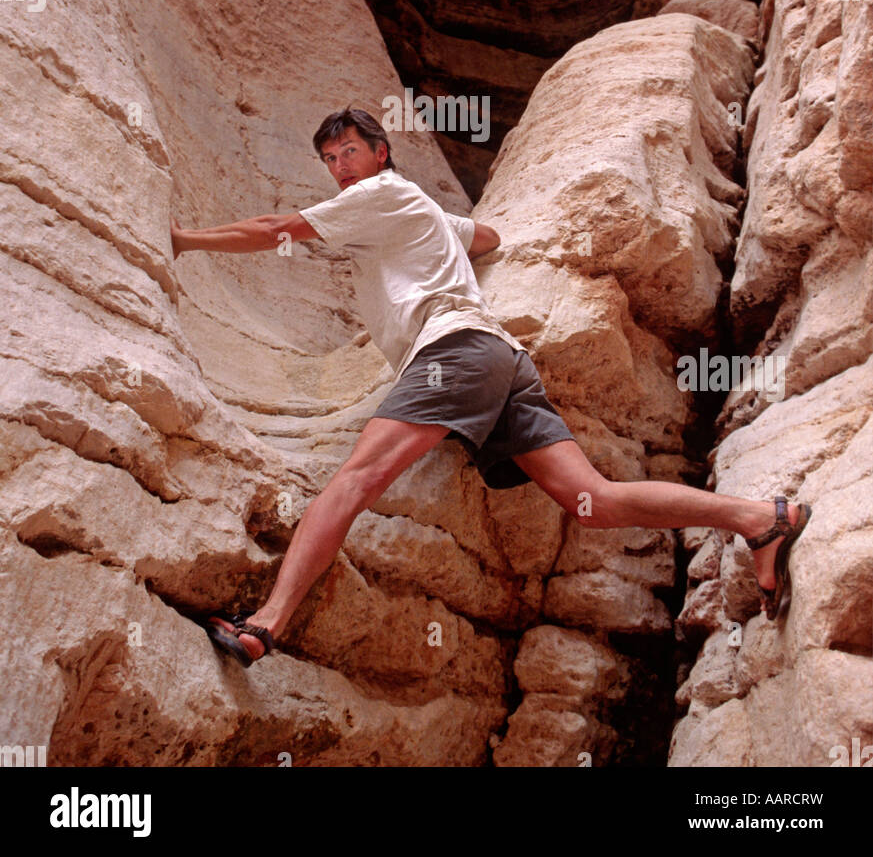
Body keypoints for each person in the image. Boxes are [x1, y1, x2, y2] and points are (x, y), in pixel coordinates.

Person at [170, 106, 811, 667]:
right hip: (503, 360)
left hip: (454, 353)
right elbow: (488, 237)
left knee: (353, 480)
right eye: (330, 158)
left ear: (379, 153)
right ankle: (761, 518)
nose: (340, 167)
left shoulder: (378, 195)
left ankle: (265, 624)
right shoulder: (412, 208)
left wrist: (183, 240)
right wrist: (436, 234)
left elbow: (272, 229)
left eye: (349, 152)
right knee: (595, 500)